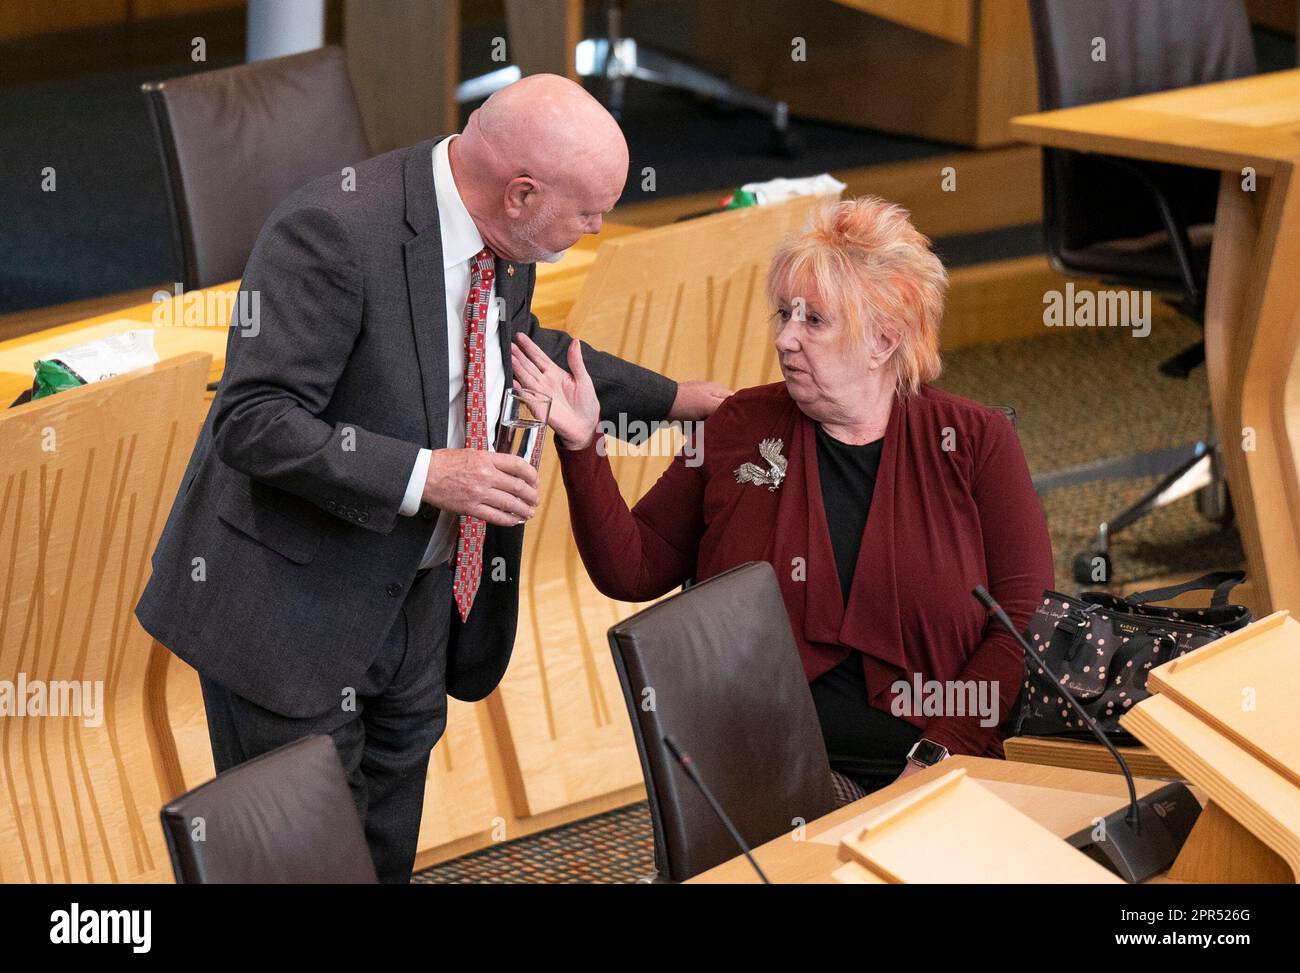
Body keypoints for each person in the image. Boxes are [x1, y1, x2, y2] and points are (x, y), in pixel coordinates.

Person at [135, 74, 731, 882]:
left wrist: (682, 401)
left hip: (418, 605)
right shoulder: (333, 231)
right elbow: (255, 419)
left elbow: (521, 350)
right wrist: (428, 474)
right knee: (302, 866)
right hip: (292, 612)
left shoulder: (504, 242)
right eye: (590, 210)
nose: (599, 228)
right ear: (521, 192)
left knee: (383, 856)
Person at [512, 195, 1053, 800]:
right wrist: (584, 446)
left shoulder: (975, 441)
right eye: (783, 315)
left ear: (883, 341)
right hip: (770, 768)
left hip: (945, 767)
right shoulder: (742, 424)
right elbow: (635, 569)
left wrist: (935, 761)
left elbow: (1023, 625)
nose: (785, 339)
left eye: (813, 321)